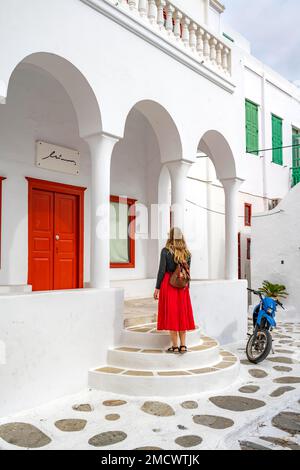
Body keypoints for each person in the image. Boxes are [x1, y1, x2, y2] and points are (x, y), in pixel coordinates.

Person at [154, 227, 196, 354]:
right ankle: (183, 345)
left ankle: (175, 346)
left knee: (172, 314)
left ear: (170, 236)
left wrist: (157, 288)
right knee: (181, 314)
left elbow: (162, 271)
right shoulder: (187, 253)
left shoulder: (166, 251)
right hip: (182, 286)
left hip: (169, 284)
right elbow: (187, 272)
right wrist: (186, 287)